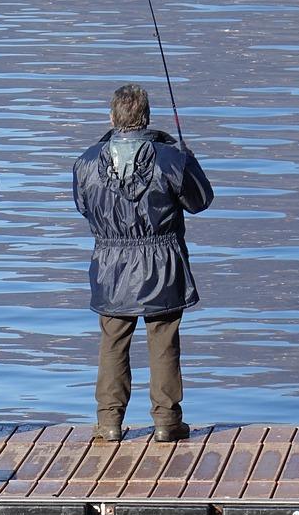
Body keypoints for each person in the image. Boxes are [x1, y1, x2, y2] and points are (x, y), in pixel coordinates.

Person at [72, 83, 213, 443]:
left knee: (113, 342)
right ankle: (167, 421)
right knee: (163, 341)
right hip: (162, 262)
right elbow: (201, 201)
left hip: (111, 263)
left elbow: (84, 207)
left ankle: (109, 422)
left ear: (112, 117)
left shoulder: (87, 162)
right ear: (146, 118)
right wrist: (189, 161)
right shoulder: (171, 159)